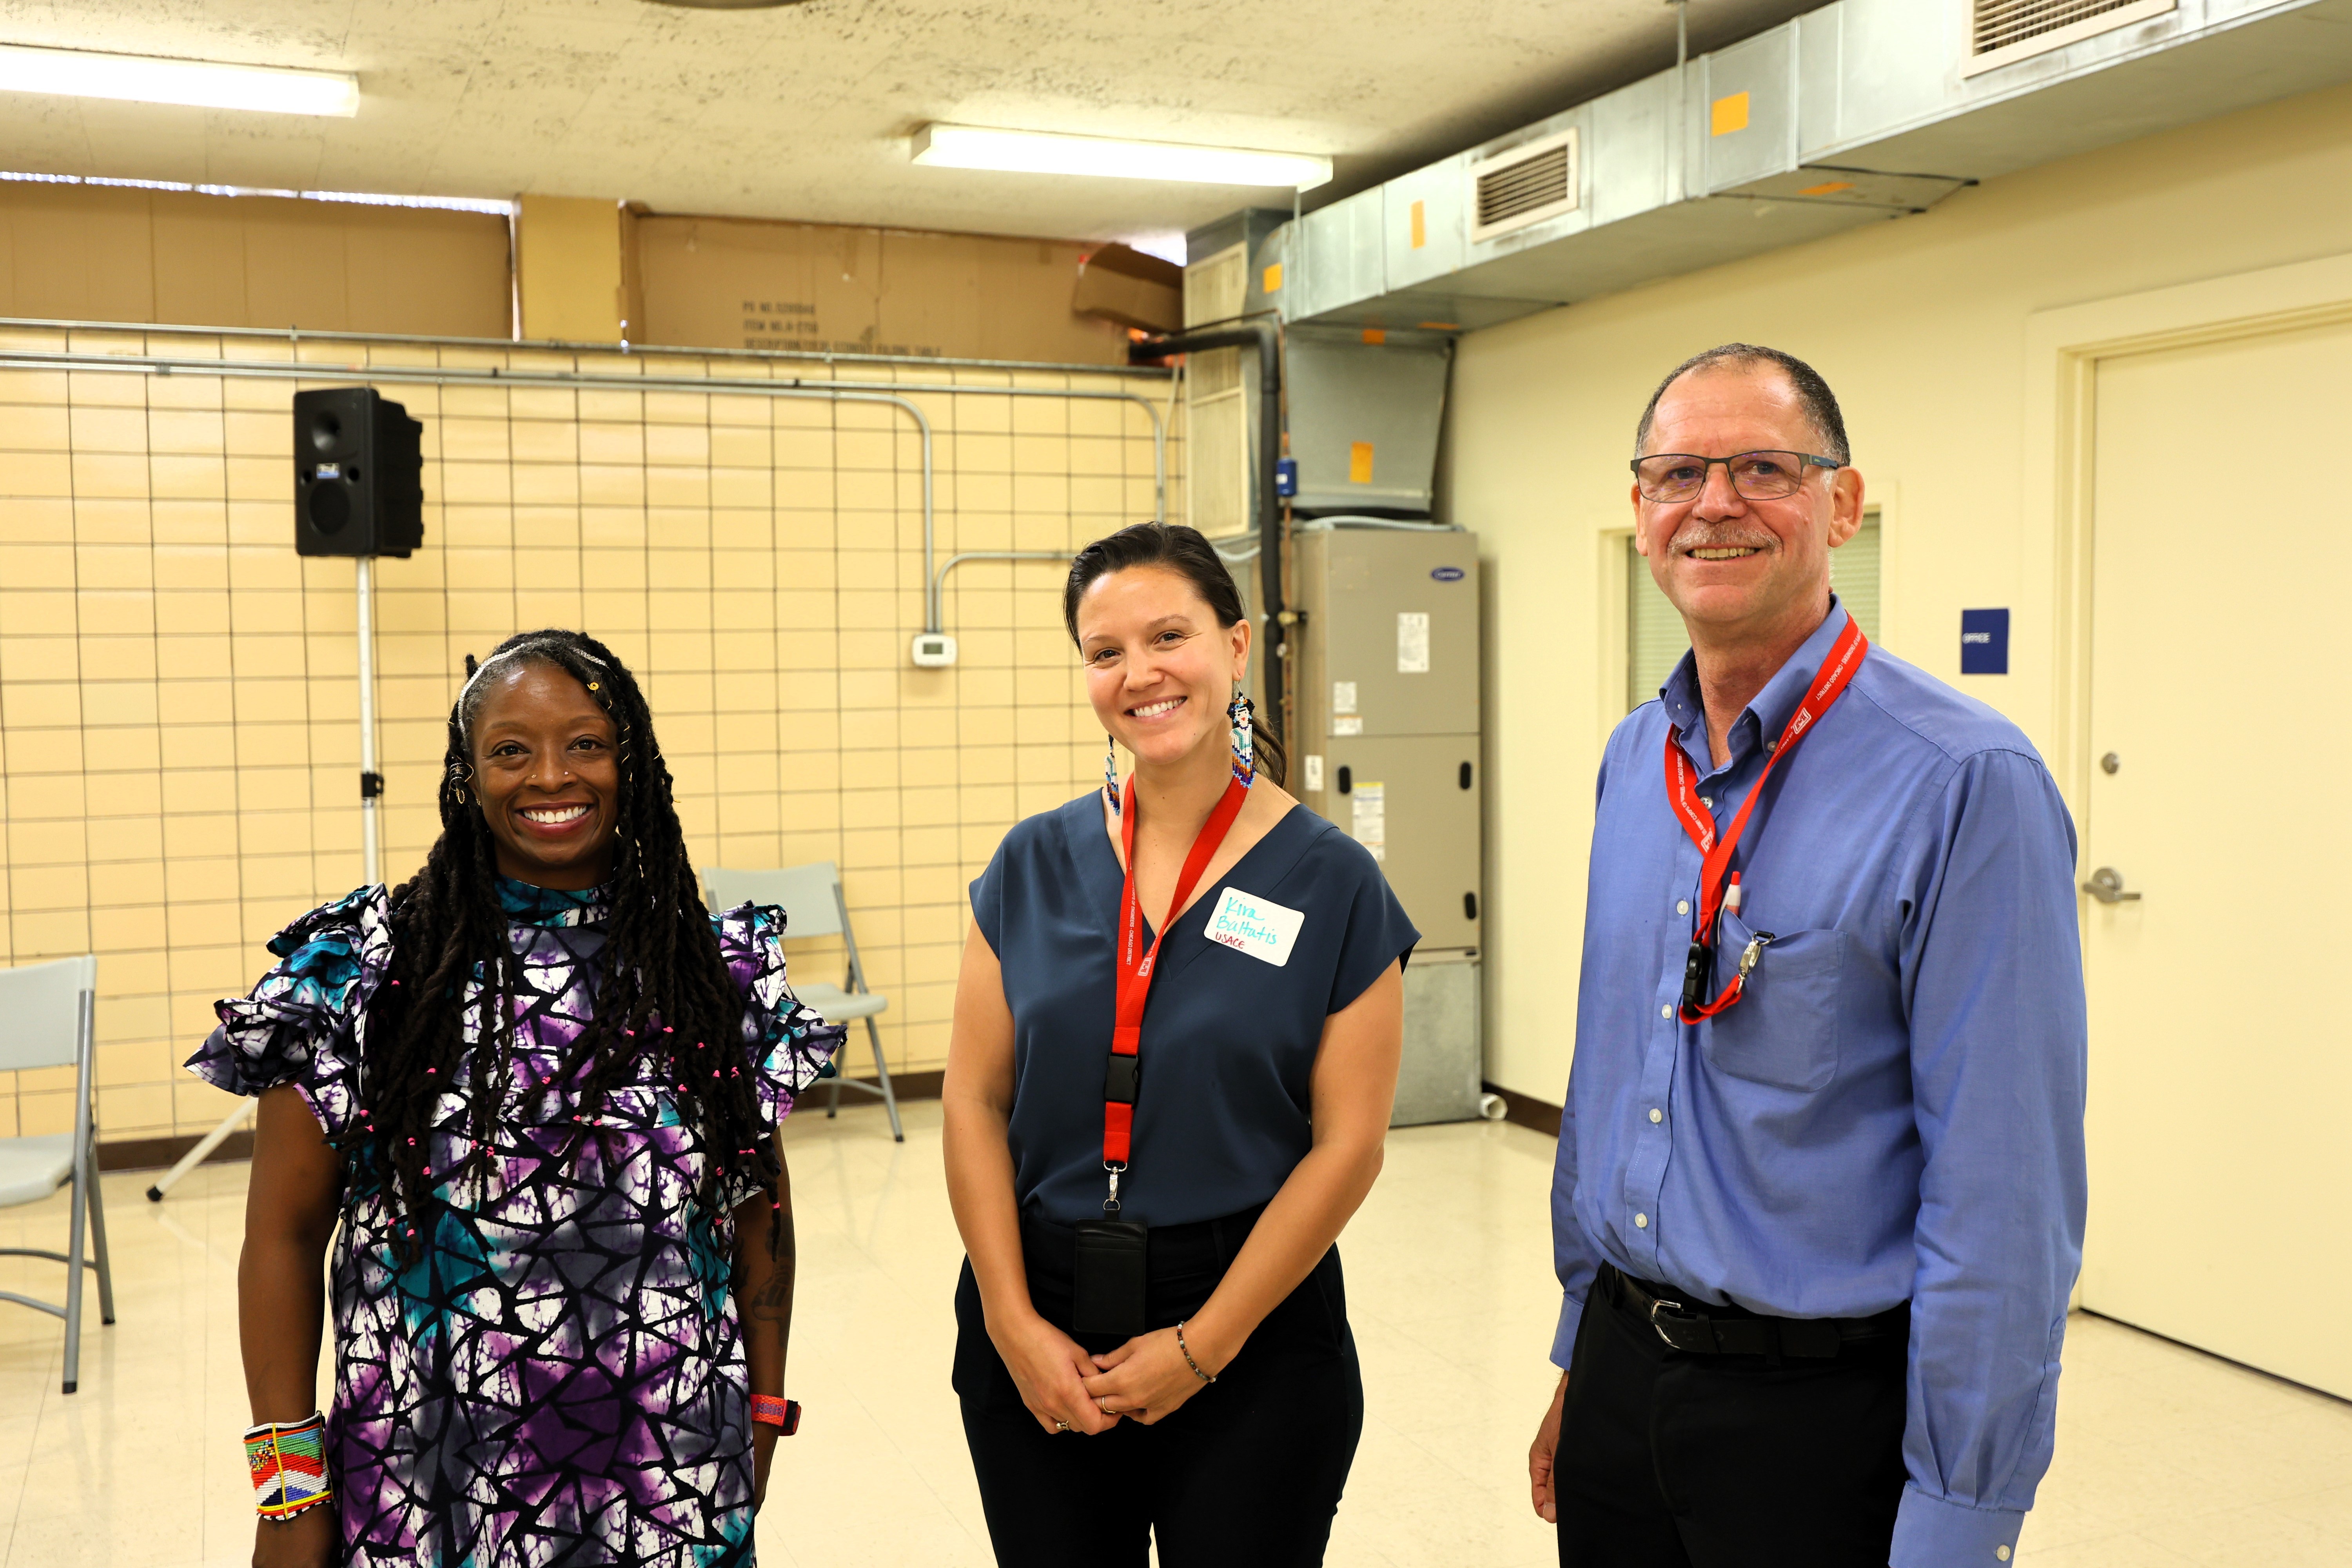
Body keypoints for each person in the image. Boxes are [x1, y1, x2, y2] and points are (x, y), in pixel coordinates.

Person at [1526, 346, 2087, 1568]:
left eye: (1764, 469)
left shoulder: (1965, 784)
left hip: (1818, 1422)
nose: (1714, 503)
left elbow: (2004, 1197)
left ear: (1842, 505)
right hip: (1621, 1377)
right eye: (1679, 472)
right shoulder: (1637, 760)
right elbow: (1611, 1076)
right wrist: (1581, 1352)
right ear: (1641, 510)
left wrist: (1962, 1514)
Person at [191, 629, 844, 1568]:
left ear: (631, 761)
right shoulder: (365, 972)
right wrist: (289, 1491)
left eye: (586, 742)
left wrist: (766, 1409)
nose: (550, 775)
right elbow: (283, 1238)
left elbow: (759, 1214)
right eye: (510, 748)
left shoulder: (709, 971)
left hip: (666, 1479)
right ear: (467, 773)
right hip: (424, 1490)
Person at [940, 522, 1418, 1566]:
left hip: (1252, 1316)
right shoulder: (1032, 863)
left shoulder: (1332, 882)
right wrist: (1011, 1323)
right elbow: (974, 1099)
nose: (1140, 674)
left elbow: (1349, 1144)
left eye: (1169, 637)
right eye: (1105, 652)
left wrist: (1205, 1346)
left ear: (1236, 645)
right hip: (1040, 1314)